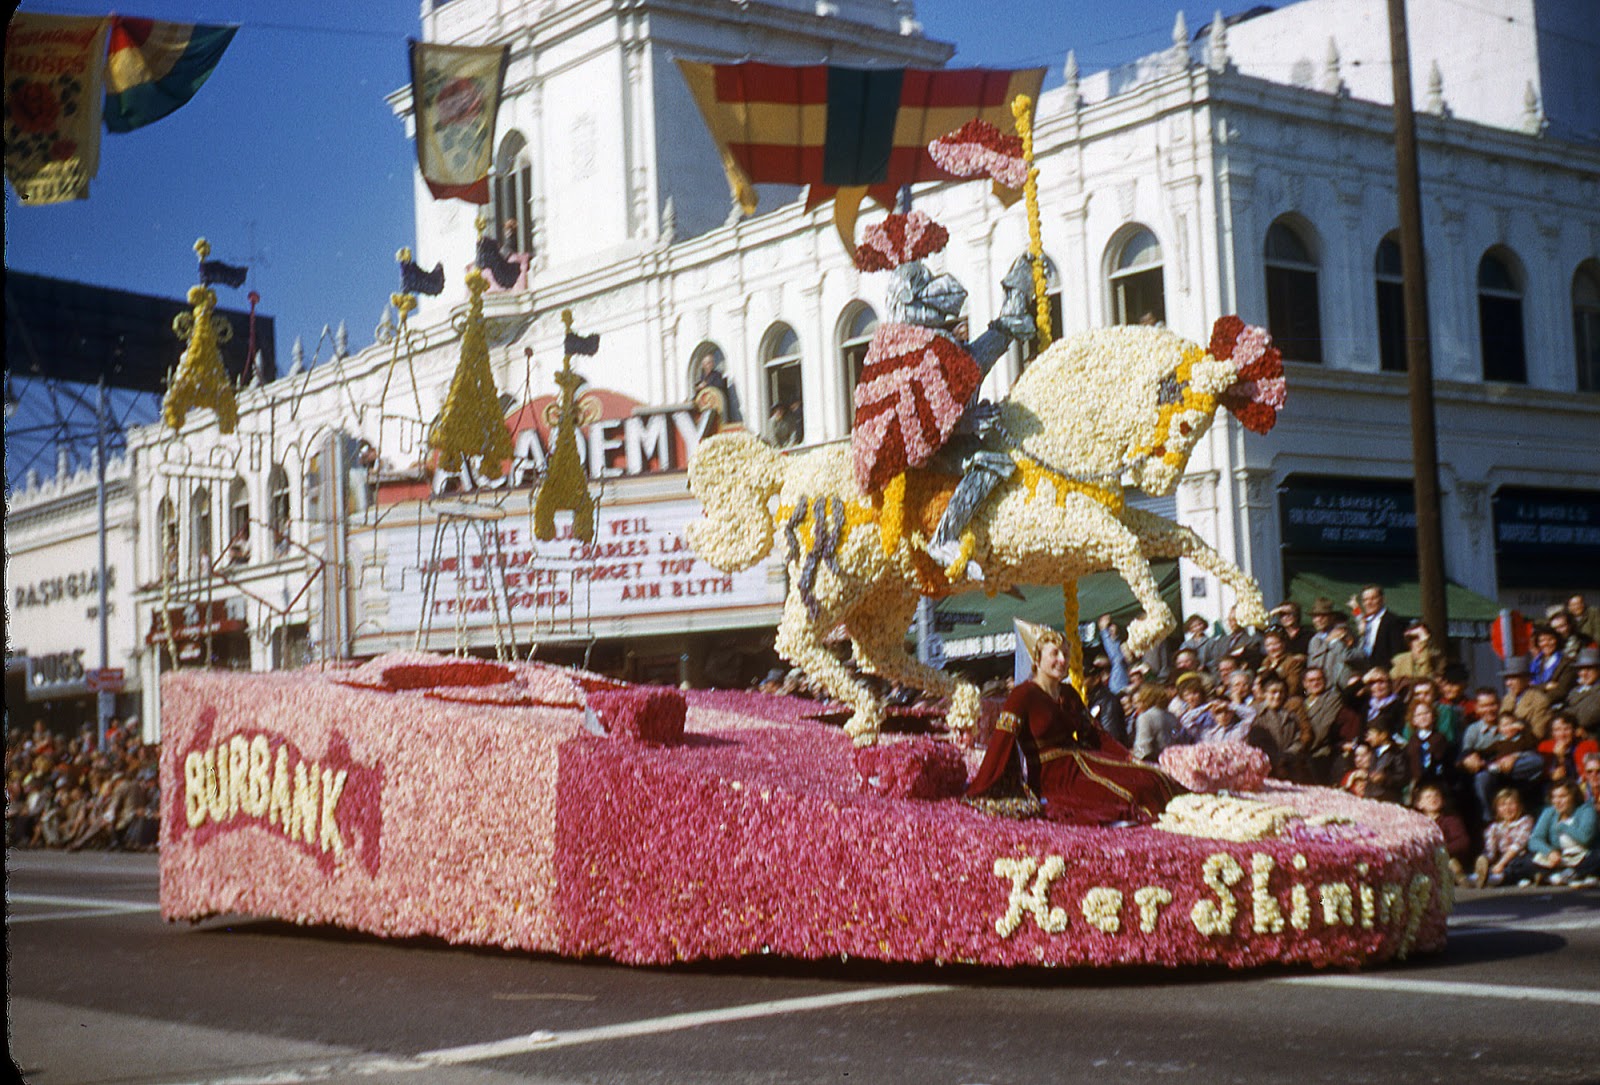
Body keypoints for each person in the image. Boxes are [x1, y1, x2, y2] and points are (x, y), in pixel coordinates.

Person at [965, 620, 1185, 824]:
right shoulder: (1022, 695)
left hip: (1082, 762)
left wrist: (1128, 757)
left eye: (1065, 654)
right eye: (1055, 654)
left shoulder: (1069, 693)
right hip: (1051, 777)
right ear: (1037, 658)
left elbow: (1095, 734)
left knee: (1151, 777)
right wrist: (980, 788)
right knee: (1133, 792)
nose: (1062, 660)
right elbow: (1001, 742)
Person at [1503, 780, 1597, 886]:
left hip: (1583, 856)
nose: (1557, 801)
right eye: (1554, 797)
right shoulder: (1550, 812)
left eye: (1562, 796)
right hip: (1560, 858)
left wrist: (1563, 826)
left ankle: (1568, 874)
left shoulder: (1586, 810)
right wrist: (1549, 852)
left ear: (1573, 797)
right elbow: (1534, 839)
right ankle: (1556, 876)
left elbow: (1585, 838)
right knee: (1523, 861)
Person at [1472, 712, 1543, 820]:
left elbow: (1532, 744)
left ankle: (1498, 768)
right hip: (1500, 774)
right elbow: (1483, 752)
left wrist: (1515, 755)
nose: (1508, 728)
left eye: (1511, 724)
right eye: (1504, 725)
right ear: (1499, 729)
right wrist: (1474, 756)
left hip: (1518, 770)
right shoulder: (1499, 743)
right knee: (1481, 777)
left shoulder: (1523, 739)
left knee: (1536, 760)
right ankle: (1488, 816)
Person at [1299, 665, 1360, 785]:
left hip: (1320, 755)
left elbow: (1322, 729)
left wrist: (1303, 745)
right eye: (1311, 680)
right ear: (1305, 684)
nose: (1315, 683)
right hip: (1302, 755)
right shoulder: (1302, 703)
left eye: (1319, 679)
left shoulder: (1332, 699)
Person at [1473, 787, 1534, 888]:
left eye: (1511, 804)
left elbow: (1518, 845)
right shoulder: (1494, 827)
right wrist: (1486, 860)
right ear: (1497, 809)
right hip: (1501, 858)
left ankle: (1497, 878)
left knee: (1525, 862)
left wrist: (1501, 864)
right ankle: (1476, 877)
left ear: (1519, 806)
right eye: (1502, 805)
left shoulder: (1526, 821)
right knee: (1488, 859)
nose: (1507, 808)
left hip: (1519, 856)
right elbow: (1491, 850)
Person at [1248, 676, 1307, 781]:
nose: (1278, 696)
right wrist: (1275, 760)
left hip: (1288, 766)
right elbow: (1255, 742)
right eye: (1273, 692)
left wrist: (1285, 757)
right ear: (1264, 693)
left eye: (1281, 692)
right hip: (1263, 765)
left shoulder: (1291, 716)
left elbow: (1297, 741)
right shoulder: (1253, 713)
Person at [1413, 782, 1471, 885]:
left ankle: (1457, 875)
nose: (1433, 799)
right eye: (1428, 797)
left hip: (1444, 854)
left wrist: (1442, 849)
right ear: (1419, 804)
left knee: (1448, 862)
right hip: (1423, 858)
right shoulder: (1415, 822)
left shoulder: (1451, 819)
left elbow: (1462, 841)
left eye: (1436, 796)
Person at [1351, 584, 1408, 671]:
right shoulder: (1366, 621)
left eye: (1373, 599)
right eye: (1365, 600)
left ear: (1382, 599)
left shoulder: (1393, 621)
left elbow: (1397, 653)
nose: (1368, 603)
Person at [1500, 655, 1554, 739]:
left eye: (1513, 678)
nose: (1508, 683)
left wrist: (1520, 727)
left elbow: (1538, 733)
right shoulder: (1507, 698)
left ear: (1526, 679)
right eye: (1507, 679)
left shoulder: (1539, 700)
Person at [1538, 712, 1598, 786]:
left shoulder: (1588, 746)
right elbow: (1548, 776)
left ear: (1574, 731)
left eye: (1566, 729)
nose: (1562, 734)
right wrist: (1560, 758)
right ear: (1552, 733)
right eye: (1557, 730)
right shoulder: (1545, 748)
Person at [1388, 619, 1444, 690]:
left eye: (1423, 637)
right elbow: (1391, 683)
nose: (1419, 641)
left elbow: (1426, 679)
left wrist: (1424, 648)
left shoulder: (1436, 658)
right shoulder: (1400, 660)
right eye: (1415, 638)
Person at [1131, 683, 1180, 762]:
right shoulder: (1172, 716)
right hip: (1173, 761)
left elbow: (1142, 748)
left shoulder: (1146, 717)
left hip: (1154, 764)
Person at [1528, 624, 1576, 703]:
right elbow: (1527, 687)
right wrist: (1545, 686)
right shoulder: (1535, 664)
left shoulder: (1567, 663)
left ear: (1557, 641)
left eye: (1550, 639)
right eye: (1542, 640)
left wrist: (1537, 701)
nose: (1546, 643)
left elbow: (1561, 690)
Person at [1569, 648, 1600, 737]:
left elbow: (1586, 718)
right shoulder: (1574, 691)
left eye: (1589, 669)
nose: (1584, 673)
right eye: (1581, 669)